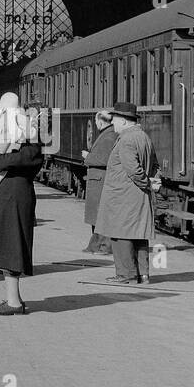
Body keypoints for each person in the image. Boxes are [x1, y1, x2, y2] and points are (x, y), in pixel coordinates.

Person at [0, 95, 44, 315]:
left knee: (10, 247)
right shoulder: (17, 134)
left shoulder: (26, 137)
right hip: (9, 195)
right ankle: (13, 299)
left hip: (12, 196)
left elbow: (20, 160)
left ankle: (14, 302)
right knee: (7, 246)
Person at [95, 102, 159, 283]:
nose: (112, 123)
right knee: (138, 237)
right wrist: (154, 180)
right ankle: (143, 274)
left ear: (123, 121)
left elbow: (133, 170)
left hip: (123, 197)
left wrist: (147, 182)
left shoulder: (127, 140)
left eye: (114, 119)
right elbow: (155, 165)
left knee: (120, 235)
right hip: (138, 196)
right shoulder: (144, 137)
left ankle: (125, 275)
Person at [82, 110, 116, 254]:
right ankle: (95, 245)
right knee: (97, 216)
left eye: (96, 122)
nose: (95, 124)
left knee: (101, 215)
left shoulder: (108, 136)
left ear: (101, 122)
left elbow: (104, 159)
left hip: (100, 181)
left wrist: (88, 157)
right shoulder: (108, 134)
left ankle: (104, 246)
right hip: (98, 180)